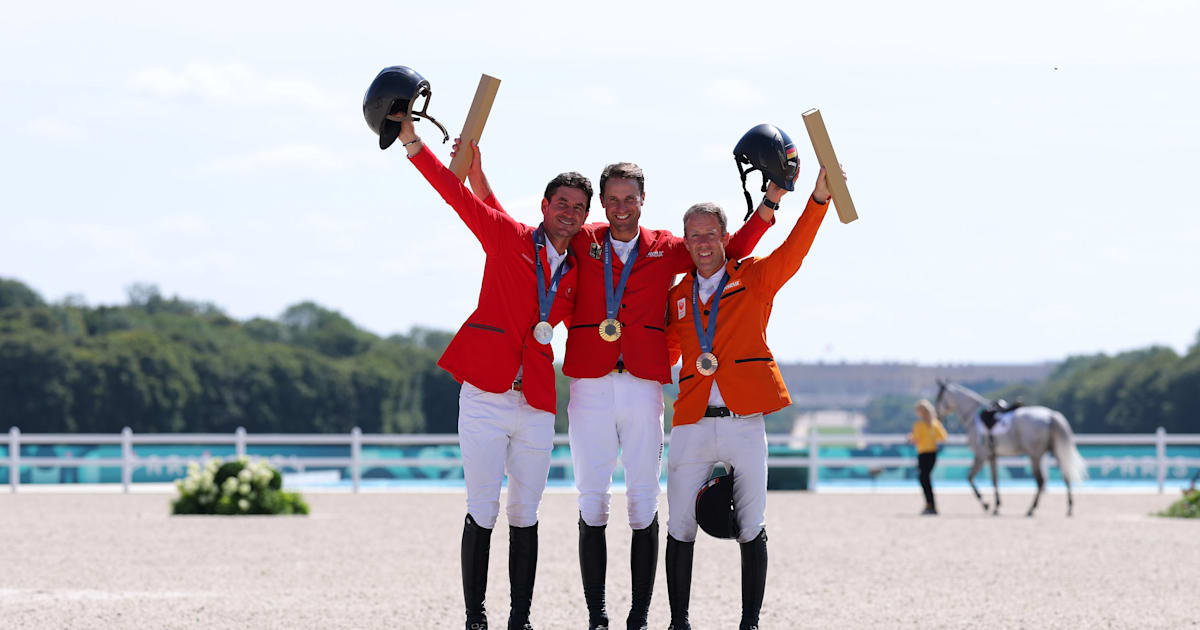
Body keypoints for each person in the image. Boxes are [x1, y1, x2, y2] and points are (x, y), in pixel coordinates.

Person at [465, 159, 778, 630]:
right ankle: (597, 616)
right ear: (603, 204)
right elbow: (510, 229)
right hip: (589, 386)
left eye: (629, 198)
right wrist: (476, 176)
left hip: (643, 387)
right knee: (592, 503)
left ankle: (639, 615)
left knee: (642, 503)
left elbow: (726, 248)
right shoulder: (583, 240)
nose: (621, 208)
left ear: (643, 200)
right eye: (612, 199)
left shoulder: (665, 248)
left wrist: (770, 204)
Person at [395, 118, 591, 630]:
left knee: (526, 513)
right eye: (561, 204)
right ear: (544, 207)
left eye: (578, 208)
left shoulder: (581, 269)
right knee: (482, 508)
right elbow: (454, 195)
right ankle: (475, 617)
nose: (569, 214)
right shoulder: (507, 238)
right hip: (485, 394)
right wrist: (413, 143)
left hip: (538, 405)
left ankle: (519, 619)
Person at [663, 167, 838, 630]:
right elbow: (663, 352)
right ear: (685, 241)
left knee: (752, 524)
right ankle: (678, 622)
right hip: (691, 422)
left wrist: (818, 200)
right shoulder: (677, 296)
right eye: (693, 236)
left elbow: (794, 251)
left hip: (744, 421)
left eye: (710, 234)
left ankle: (749, 623)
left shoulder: (755, 278)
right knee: (678, 524)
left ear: (726, 236)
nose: (702, 243)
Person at [908, 398, 948, 515]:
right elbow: (943, 437)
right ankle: (930, 504)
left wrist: (911, 439)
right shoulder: (935, 424)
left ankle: (930, 505)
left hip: (923, 454)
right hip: (932, 454)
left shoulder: (919, 425)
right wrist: (931, 439)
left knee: (924, 479)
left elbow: (916, 439)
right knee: (926, 479)